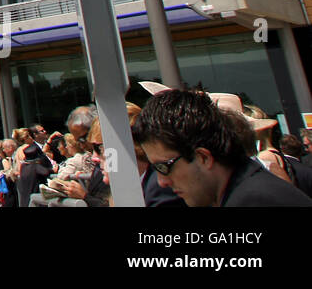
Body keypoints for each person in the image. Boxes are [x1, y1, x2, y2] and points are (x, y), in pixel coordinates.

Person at [132, 88, 312, 207]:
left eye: (163, 167)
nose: (162, 181)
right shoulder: (244, 189)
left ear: (203, 157)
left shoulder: (253, 200)